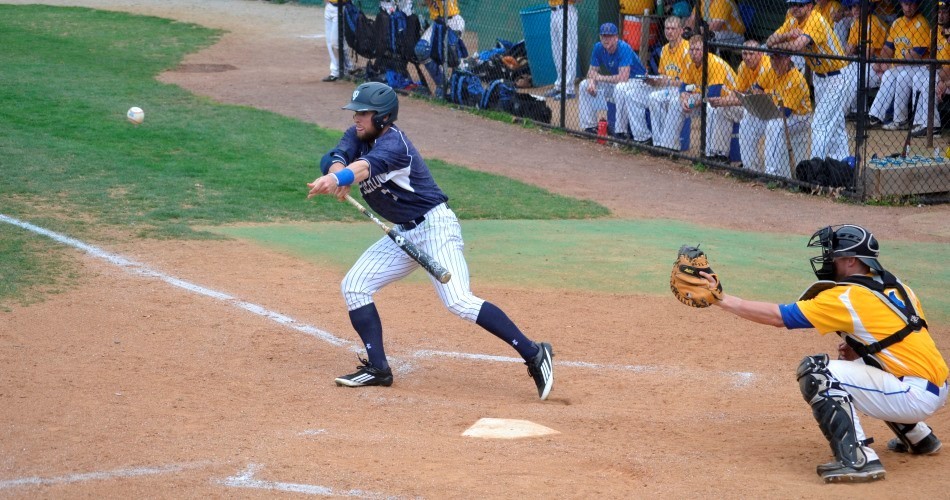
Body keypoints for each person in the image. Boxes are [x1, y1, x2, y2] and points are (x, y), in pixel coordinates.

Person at [306, 82, 555, 400]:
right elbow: (336, 156)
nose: (356, 118)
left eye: (363, 113)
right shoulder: (358, 135)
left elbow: (364, 167)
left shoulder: (394, 146)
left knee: (459, 301)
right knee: (354, 286)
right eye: (355, 112)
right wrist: (336, 172)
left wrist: (338, 178)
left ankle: (535, 353)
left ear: (382, 117)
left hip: (435, 227)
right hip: (403, 233)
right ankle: (379, 369)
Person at [699, 224, 947, 483]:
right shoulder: (898, 287)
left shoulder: (847, 296)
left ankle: (858, 459)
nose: (827, 260)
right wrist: (861, 349)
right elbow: (904, 336)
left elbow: (779, 317)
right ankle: (919, 437)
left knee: (817, 372)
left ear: (851, 260)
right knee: (854, 358)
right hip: (936, 386)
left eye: (833, 255)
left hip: (913, 397)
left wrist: (722, 300)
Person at [767, 0, 852, 162]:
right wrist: (786, 35)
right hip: (819, 77)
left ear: (809, 6)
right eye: (792, 5)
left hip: (838, 75)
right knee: (837, 126)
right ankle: (843, 163)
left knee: (819, 124)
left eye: (800, 5)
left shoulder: (816, 19)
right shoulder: (792, 21)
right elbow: (770, 41)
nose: (795, 8)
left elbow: (798, 45)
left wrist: (783, 43)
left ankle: (816, 168)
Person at [651, 33, 738, 152]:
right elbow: (684, 86)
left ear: (705, 50)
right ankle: (668, 146)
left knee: (711, 108)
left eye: (698, 49)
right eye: (692, 49)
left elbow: (713, 94)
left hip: (725, 97)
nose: (694, 52)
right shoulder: (690, 63)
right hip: (703, 96)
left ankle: (709, 153)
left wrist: (692, 102)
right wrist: (684, 98)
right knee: (676, 102)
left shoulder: (714, 63)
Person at [737, 51, 812, 176]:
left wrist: (765, 104)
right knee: (747, 121)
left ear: (788, 59)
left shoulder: (796, 79)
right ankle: (750, 168)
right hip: (775, 111)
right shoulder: (771, 71)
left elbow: (785, 113)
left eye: (779, 59)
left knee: (774, 124)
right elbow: (757, 88)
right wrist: (760, 98)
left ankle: (772, 173)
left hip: (800, 118)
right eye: (772, 58)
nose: (774, 62)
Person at [868, 0, 935, 137]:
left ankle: (901, 119)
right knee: (888, 74)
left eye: (911, 4)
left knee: (901, 75)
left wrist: (892, 63)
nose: (908, 7)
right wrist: (881, 62)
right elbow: (887, 48)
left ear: (916, 5)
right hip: (900, 65)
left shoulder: (921, 24)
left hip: (918, 67)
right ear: (901, 5)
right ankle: (874, 116)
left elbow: (915, 55)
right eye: (905, 3)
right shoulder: (897, 23)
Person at [707, 40, 772, 162]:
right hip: (751, 106)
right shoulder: (743, 66)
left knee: (743, 114)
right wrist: (722, 101)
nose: (747, 57)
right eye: (745, 53)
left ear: (760, 54)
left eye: (751, 54)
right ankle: (721, 154)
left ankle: (750, 162)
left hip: (767, 109)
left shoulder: (767, 67)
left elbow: (759, 98)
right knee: (722, 109)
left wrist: (726, 101)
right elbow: (738, 93)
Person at [577, 23, 645, 135]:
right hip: (619, 85)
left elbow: (623, 78)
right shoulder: (598, 47)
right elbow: (592, 71)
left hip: (637, 82)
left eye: (609, 36)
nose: (606, 39)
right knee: (584, 84)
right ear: (600, 37)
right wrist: (591, 83)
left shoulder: (624, 48)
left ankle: (620, 132)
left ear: (616, 37)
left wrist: (599, 77)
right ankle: (590, 127)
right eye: (604, 36)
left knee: (620, 87)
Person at [640, 16, 692, 146]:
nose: (669, 31)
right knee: (638, 90)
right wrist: (653, 80)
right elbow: (662, 74)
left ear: (681, 31)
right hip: (666, 87)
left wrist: (666, 81)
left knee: (654, 98)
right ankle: (658, 142)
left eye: (673, 29)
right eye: (667, 28)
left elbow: (686, 82)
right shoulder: (664, 50)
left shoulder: (687, 50)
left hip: (682, 90)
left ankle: (663, 142)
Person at [841, 0, 888, 118]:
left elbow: (868, 54)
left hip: (880, 66)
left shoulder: (873, 22)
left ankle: (845, 112)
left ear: (868, 7)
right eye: (853, 6)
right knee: (843, 72)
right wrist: (854, 50)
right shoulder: (856, 23)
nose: (855, 10)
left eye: (859, 6)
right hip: (865, 62)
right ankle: (856, 110)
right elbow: (848, 51)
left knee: (856, 76)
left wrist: (855, 50)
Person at [421, 0, 466, 95]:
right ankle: (442, 83)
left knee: (453, 57)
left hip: (453, 22)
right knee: (421, 49)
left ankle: (460, 90)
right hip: (437, 23)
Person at [545, 0, 582, 100]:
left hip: (566, 11)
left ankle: (569, 89)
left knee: (568, 51)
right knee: (556, 51)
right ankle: (560, 85)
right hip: (553, 12)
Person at [323, 0, 355, 82]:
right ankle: (335, 72)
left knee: (336, 41)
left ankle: (348, 67)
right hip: (329, 6)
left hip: (341, 8)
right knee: (329, 42)